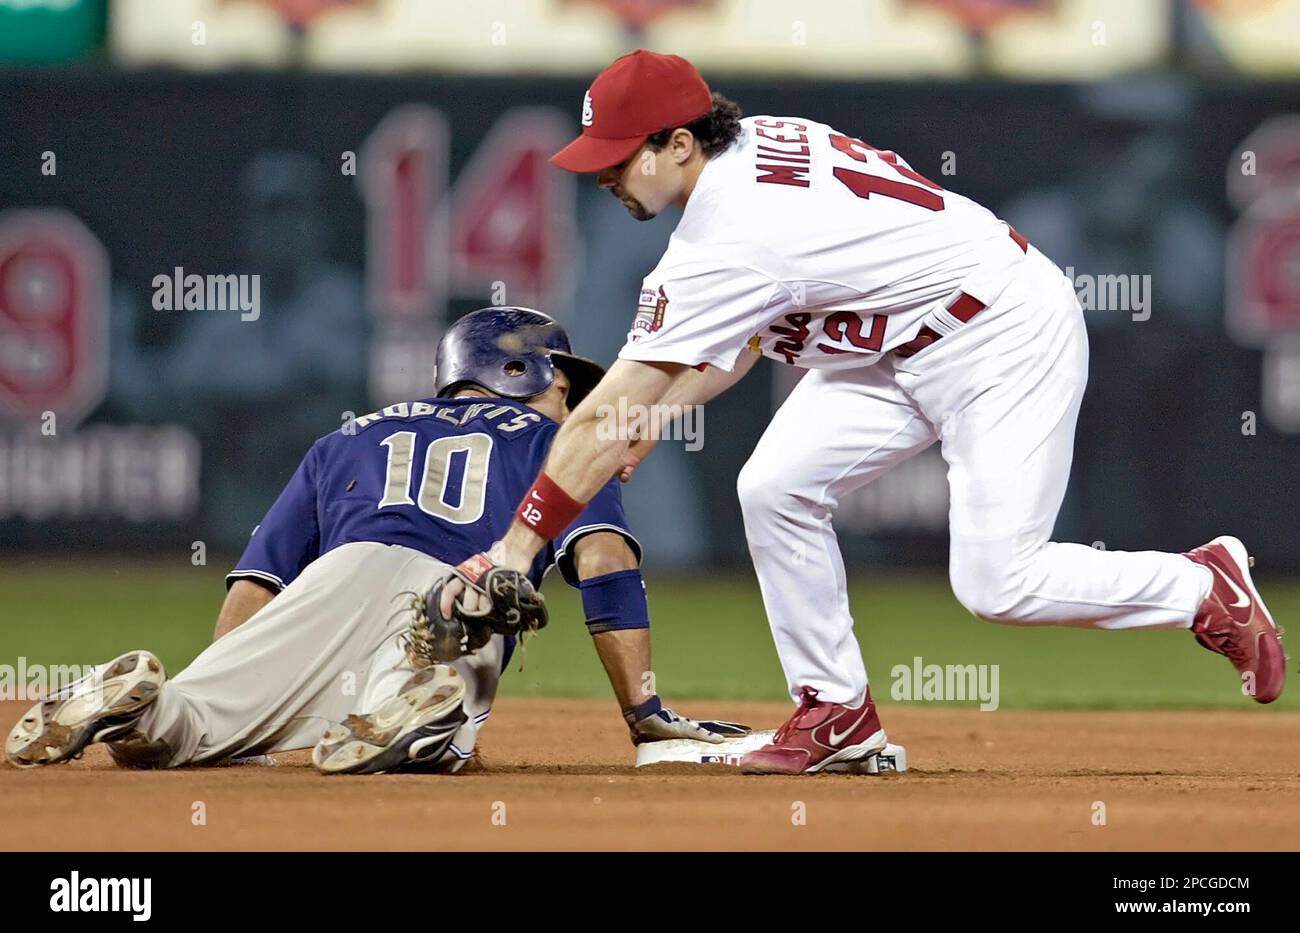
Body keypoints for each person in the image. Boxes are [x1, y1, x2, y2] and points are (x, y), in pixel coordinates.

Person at [441, 50, 1287, 776]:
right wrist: (658, 417)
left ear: (681, 142)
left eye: (622, 156)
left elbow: (599, 417)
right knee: (773, 487)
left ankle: (1201, 583)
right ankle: (837, 712)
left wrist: (514, 548)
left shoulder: (725, 236)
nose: (605, 174)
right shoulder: (750, 153)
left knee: (1001, 581)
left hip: (998, 328)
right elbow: (739, 342)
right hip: (896, 345)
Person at [6, 307, 733, 775]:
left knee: (189, 730)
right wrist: (643, 712)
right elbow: (606, 558)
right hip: (454, 594)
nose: (572, 400)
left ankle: (146, 707)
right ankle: (413, 703)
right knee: (436, 729)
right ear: (518, 371)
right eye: (562, 382)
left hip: (335, 577)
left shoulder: (350, 433)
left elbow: (258, 579)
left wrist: (234, 676)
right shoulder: (562, 442)